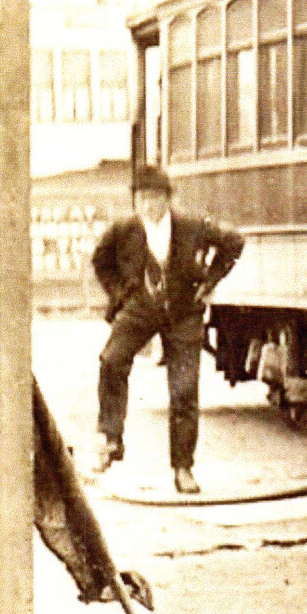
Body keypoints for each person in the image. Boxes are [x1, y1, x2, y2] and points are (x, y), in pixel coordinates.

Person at [89, 164, 245, 493]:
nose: (148, 206)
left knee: (184, 390)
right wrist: (120, 294)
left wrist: (212, 278)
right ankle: (111, 438)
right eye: (142, 199)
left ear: (167, 199)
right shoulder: (124, 229)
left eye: (155, 198)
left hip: (184, 312)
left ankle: (183, 469)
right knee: (111, 360)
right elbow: (100, 261)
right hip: (140, 309)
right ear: (135, 201)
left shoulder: (190, 225)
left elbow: (234, 241)